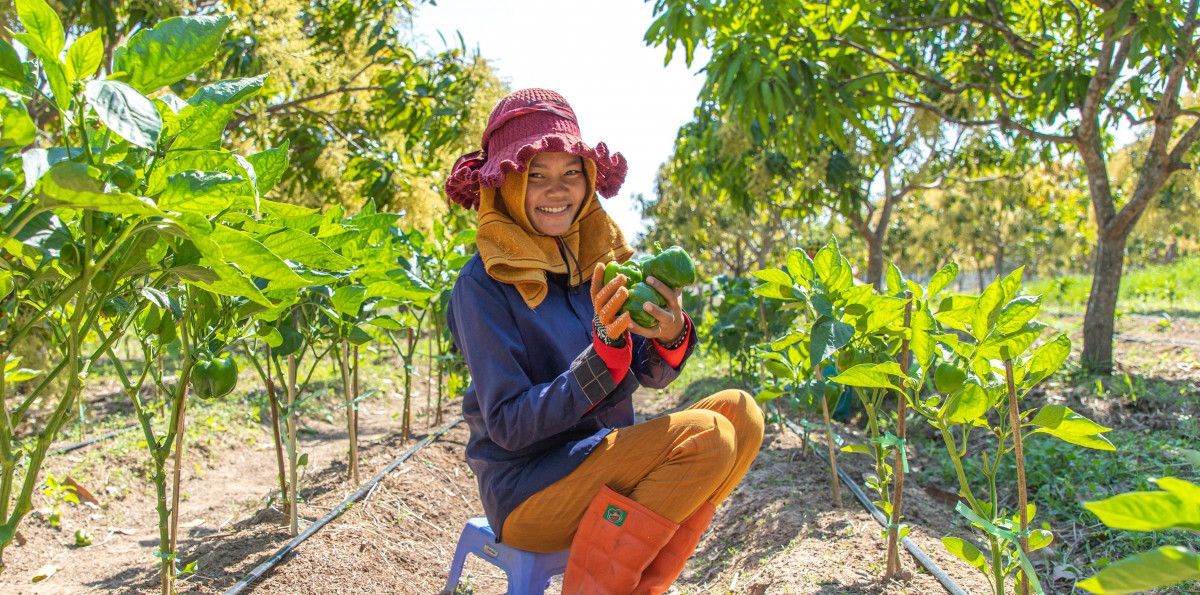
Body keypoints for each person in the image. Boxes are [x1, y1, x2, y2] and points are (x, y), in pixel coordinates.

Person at [444, 88, 763, 594]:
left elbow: (647, 373)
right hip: (530, 489)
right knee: (708, 436)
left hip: (600, 459)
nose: (557, 190)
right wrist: (602, 362)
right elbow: (507, 424)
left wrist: (670, 334)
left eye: (571, 173)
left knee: (740, 414)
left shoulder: (594, 264)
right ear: (507, 183)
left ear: (588, 180)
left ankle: (631, 586)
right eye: (536, 175)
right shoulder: (483, 285)